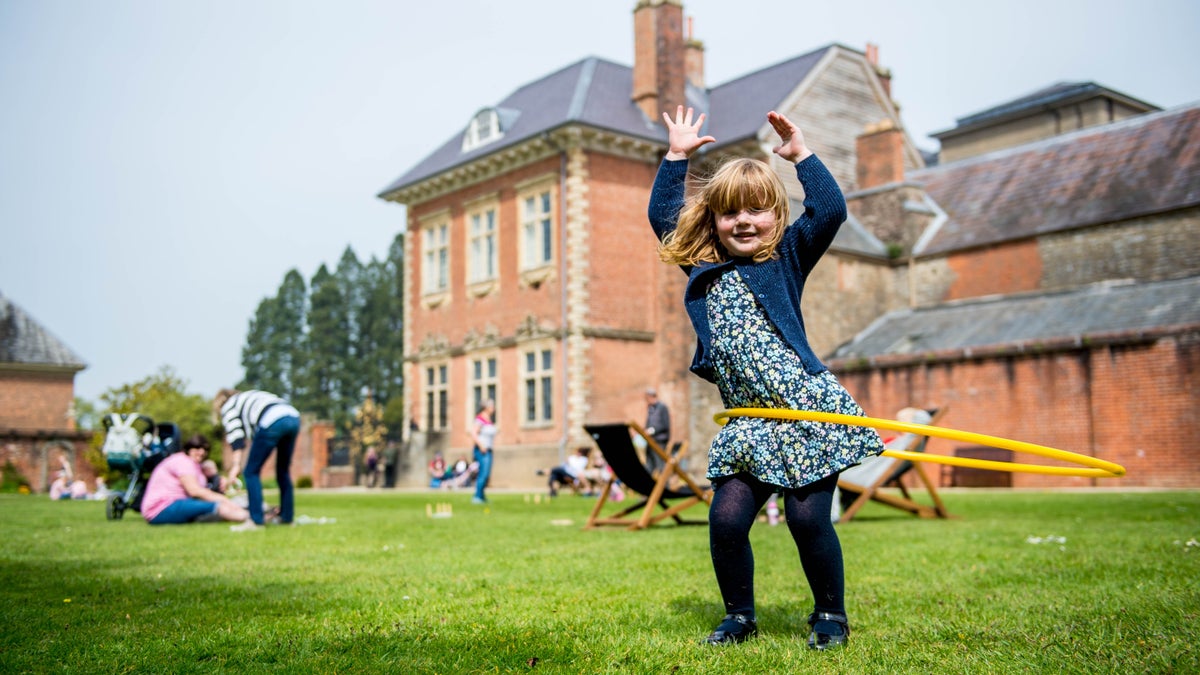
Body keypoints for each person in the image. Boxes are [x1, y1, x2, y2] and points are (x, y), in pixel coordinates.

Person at [648, 106, 884, 649]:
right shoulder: (703, 269)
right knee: (726, 522)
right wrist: (676, 156)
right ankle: (739, 616)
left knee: (807, 522)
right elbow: (663, 217)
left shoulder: (786, 259)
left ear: (776, 218)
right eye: (731, 214)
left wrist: (801, 155)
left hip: (806, 413)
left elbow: (829, 210)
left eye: (758, 211)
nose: (745, 222)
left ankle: (830, 615)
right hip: (749, 421)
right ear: (713, 223)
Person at [214, 388, 301, 531]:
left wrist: (236, 465)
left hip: (272, 419)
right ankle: (287, 518)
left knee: (250, 472)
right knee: (283, 471)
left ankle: (256, 521)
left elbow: (236, 437)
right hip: (293, 416)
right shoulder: (250, 396)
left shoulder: (229, 406)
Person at [140, 434, 249, 525]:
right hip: (161, 508)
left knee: (213, 506)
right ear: (189, 448)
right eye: (197, 448)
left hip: (176, 504)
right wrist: (223, 499)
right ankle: (251, 517)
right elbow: (194, 491)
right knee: (218, 505)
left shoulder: (194, 465)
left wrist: (215, 476)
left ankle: (250, 512)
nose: (201, 452)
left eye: (205, 449)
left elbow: (206, 486)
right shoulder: (183, 461)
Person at [468, 399, 496, 504]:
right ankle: (477, 496)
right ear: (487, 408)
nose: (494, 408)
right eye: (492, 406)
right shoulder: (480, 419)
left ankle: (482, 496)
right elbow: (473, 433)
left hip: (488, 450)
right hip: (482, 451)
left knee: (487, 474)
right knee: (483, 474)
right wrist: (481, 446)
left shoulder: (489, 419)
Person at [643, 388, 671, 475]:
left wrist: (652, 431)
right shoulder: (650, 408)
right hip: (650, 441)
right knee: (649, 466)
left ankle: (664, 487)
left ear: (652, 397)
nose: (646, 401)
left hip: (660, 441)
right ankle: (648, 487)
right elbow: (648, 423)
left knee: (661, 466)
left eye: (647, 398)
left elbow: (665, 425)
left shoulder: (662, 407)